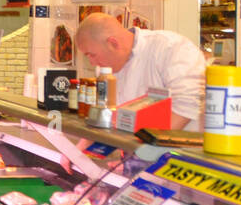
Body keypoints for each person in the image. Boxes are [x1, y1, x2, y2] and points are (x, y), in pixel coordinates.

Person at [74, 13, 208, 130]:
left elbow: (189, 105)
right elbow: (109, 116)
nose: (92, 63)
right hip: (134, 152)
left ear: (113, 43)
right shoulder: (104, 71)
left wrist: (144, 149)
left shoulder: (170, 47)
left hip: (180, 154)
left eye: (92, 55)